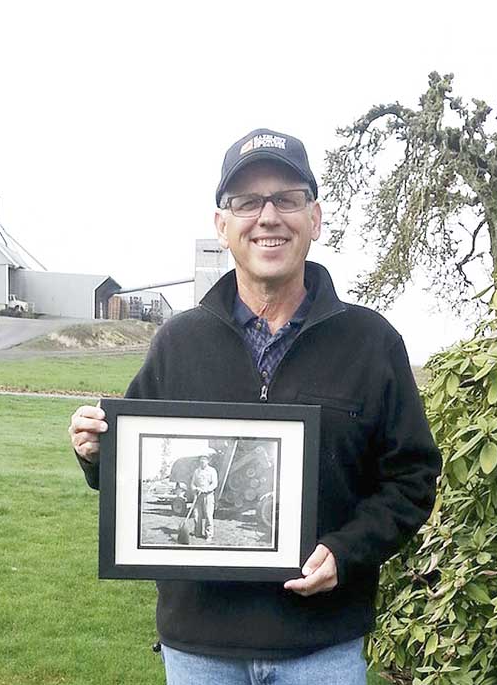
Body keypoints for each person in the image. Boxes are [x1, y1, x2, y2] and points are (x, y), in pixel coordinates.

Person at [69, 128, 441, 685]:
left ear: (313, 219)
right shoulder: (179, 341)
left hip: (323, 647)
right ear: (222, 225)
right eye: (246, 202)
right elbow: (127, 465)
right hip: (199, 648)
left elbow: (412, 478)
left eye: (286, 199)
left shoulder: (371, 342)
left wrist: (347, 551)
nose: (268, 217)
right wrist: (96, 450)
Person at [190, 454, 218, 540]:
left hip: (208, 496)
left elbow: (214, 484)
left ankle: (209, 535)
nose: (202, 461)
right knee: (197, 515)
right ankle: (197, 533)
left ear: (208, 461)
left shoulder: (212, 471)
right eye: (201, 460)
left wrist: (206, 490)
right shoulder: (196, 471)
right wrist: (195, 488)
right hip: (198, 496)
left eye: (204, 460)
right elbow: (192, 483)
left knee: (208, 516)